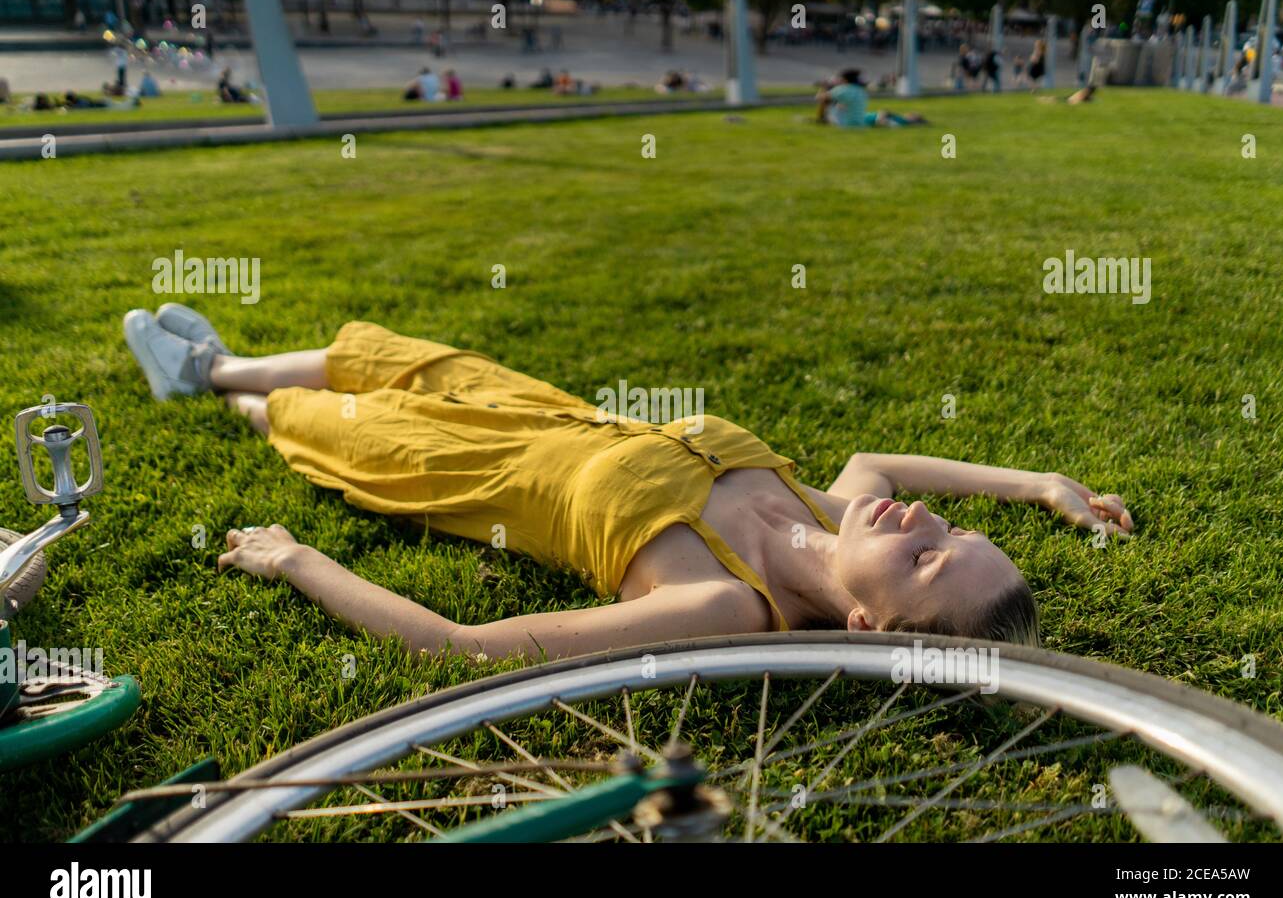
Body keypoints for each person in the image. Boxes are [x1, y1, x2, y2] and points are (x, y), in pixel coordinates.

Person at [120, 307, 1132, 662]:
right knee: (403, 355)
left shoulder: (729, 601)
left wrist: (294, 557)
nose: (916, 515)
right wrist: (1042, 482)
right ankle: (221, 362)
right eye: (946, 526)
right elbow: (892, 465)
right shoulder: (835, 507)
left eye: (921, 555)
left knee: (329, 422)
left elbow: (463, 647)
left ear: (868, 624)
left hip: (478, 474)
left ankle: (220, 390)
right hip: (559, 412)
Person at [816, 69, 926, 127]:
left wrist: (825, 87)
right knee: (884, 114)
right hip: (858, 122)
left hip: (848, 124)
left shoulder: (843, 89)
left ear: (844, 80)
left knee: (884, 114)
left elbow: (820, 98)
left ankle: (821, 120)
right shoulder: (859, 91)